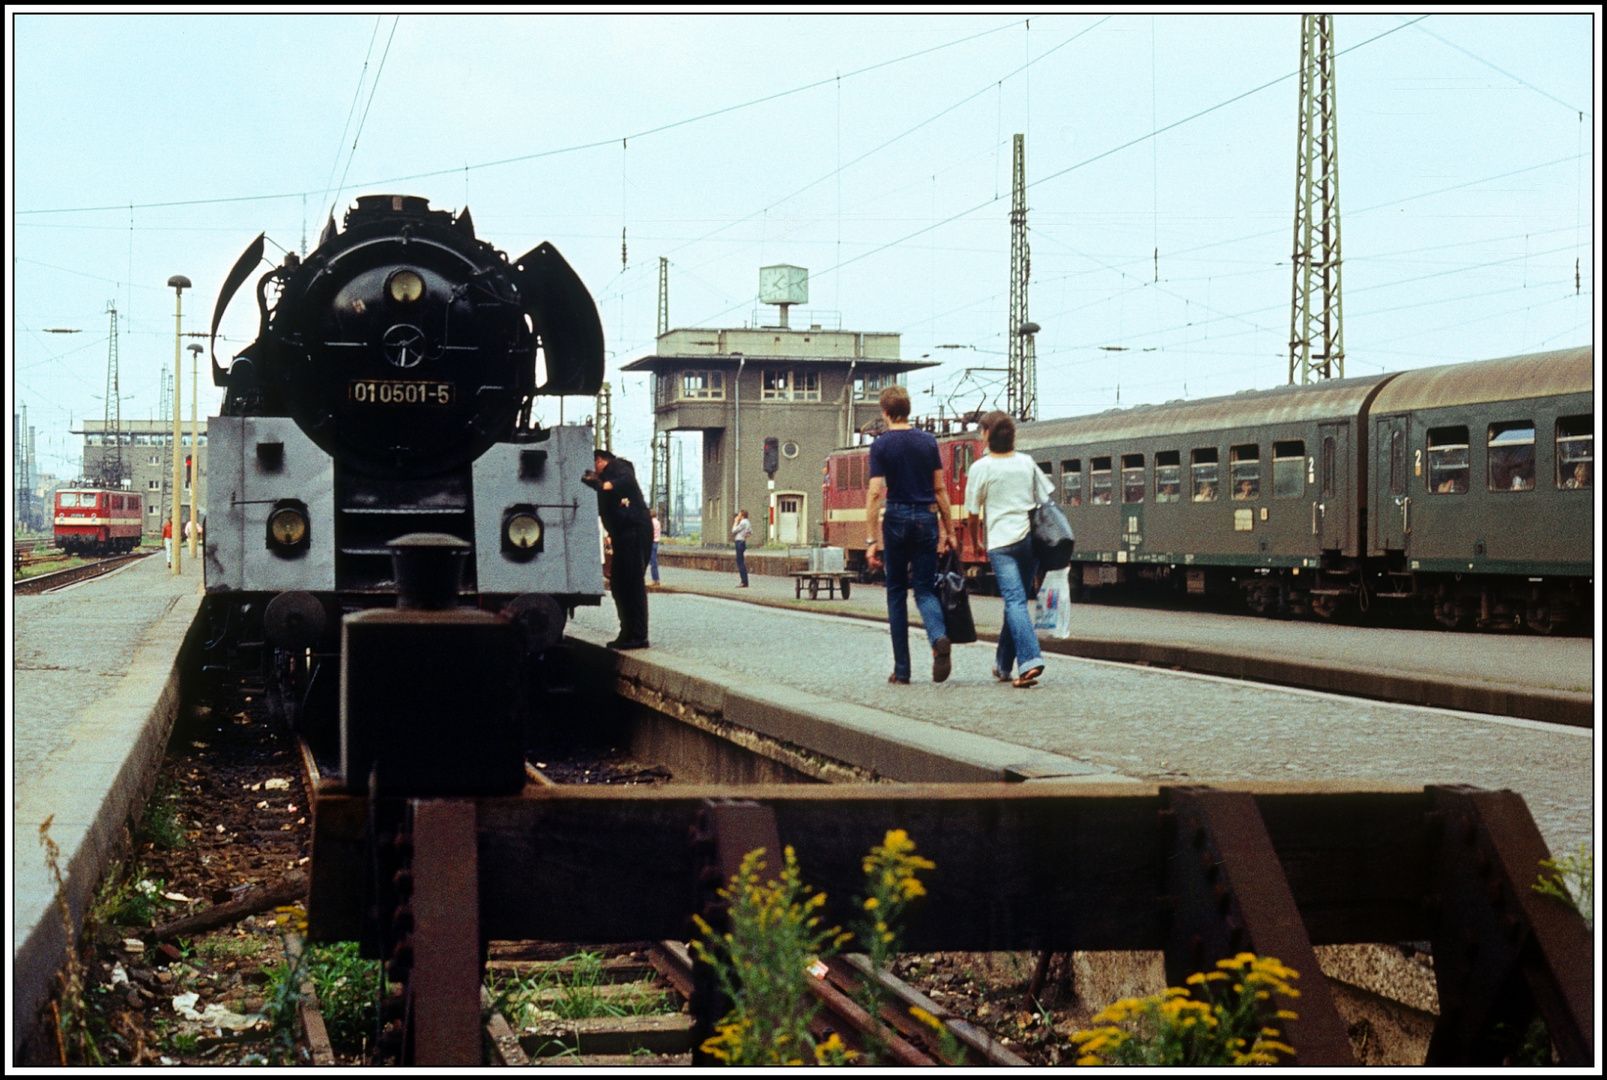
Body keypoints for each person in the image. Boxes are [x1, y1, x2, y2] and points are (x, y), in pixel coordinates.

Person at [865, 384, 954, 685]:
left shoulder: (881, 445)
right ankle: (938, 637)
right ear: (908, 410)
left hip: (897, 518)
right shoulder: (928, 442)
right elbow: (940, 489)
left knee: (896, 593)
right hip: (927, 518)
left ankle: (902, 671)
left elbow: (876, 492)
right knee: (925, 590)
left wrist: (871, 539)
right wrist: (949, 531)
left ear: (885, 412)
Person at [965, 413, 1055, 688]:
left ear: (987, 434)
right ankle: (1003, 665)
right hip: (1028, 543)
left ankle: (1029, 661)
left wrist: (976, 541)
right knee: (1015, 602)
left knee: (1014, 602)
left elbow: (972, 513)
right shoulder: (1026, 463)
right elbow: (1045, 498)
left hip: (1001, 545)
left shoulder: (981, 468)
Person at [582, 449, 652, 650]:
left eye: (593, 467)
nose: (593, 472)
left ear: (600, 460)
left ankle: (638, 635)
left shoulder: (618, 466)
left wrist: (603, 485)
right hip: (622, 535)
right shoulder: (605, 478)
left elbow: (626, 480)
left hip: (634, 531)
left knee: (632, 583)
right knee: (619, 585)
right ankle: (627, 632)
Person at [731, 510, 752, 587]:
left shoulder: (743, 522)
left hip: (739, 542)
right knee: (741, 561)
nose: (738, 516)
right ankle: (744, 581)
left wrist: (735, 522)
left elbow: (733, 530)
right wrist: (745, 536)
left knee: (740, 562)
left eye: (739, 515)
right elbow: (750, 532)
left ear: (742, 516)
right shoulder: (748, 522)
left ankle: (744, 582)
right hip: (742, 542)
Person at [648, 509, 662, 587]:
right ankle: (656, 579)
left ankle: (655, 580)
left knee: (653, 562)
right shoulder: (658, 522)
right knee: (653, 561)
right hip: (656, 542)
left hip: (651, 542)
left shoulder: (651, 523)